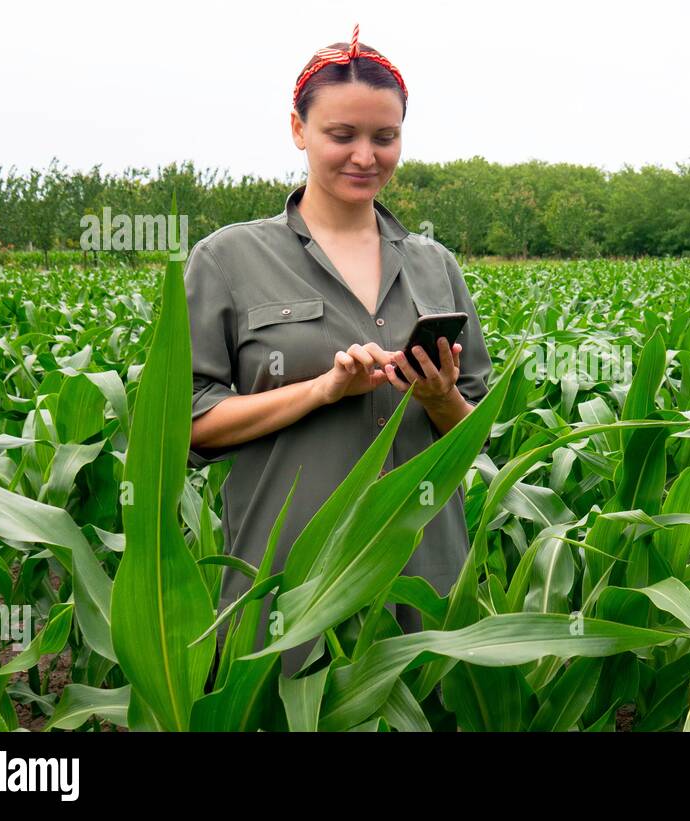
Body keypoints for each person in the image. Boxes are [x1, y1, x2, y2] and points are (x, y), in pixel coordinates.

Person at [185, 25, 492, 677]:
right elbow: (187, 425)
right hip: (287, 590)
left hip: (425, 585)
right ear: (298, 130)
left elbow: (478, 441)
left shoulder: (435, 265)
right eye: (341, 135)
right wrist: (322, 389)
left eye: (385, 137)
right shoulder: (228, 259)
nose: (365, 155)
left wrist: (440, 399)